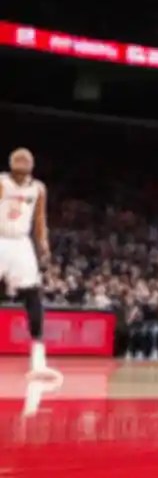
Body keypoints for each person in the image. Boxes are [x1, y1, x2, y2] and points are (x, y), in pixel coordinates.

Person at [0, 148, 59, 382]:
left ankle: (38, 360)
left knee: (33, 295)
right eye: (19, 158)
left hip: (21, 242)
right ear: (12, 162)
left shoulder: (38, 188)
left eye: (28, 159)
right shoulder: (2, 182)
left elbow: (40, 220)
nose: (24, 161)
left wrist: (43, 245)